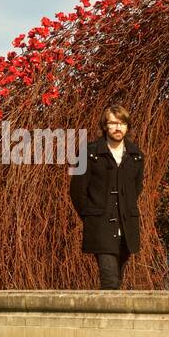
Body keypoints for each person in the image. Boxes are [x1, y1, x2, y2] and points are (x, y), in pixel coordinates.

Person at [70, 104, 144, 290]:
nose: (118, 128)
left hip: (127, 226)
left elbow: (136, 188)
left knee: (118, 279)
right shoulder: (88, 152)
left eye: (122, 123)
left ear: (127, 127)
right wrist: (92, 214)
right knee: (109, 279)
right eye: (113, 123)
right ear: (105, 126)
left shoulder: (136, 156)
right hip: (100, 225)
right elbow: (77, 190)